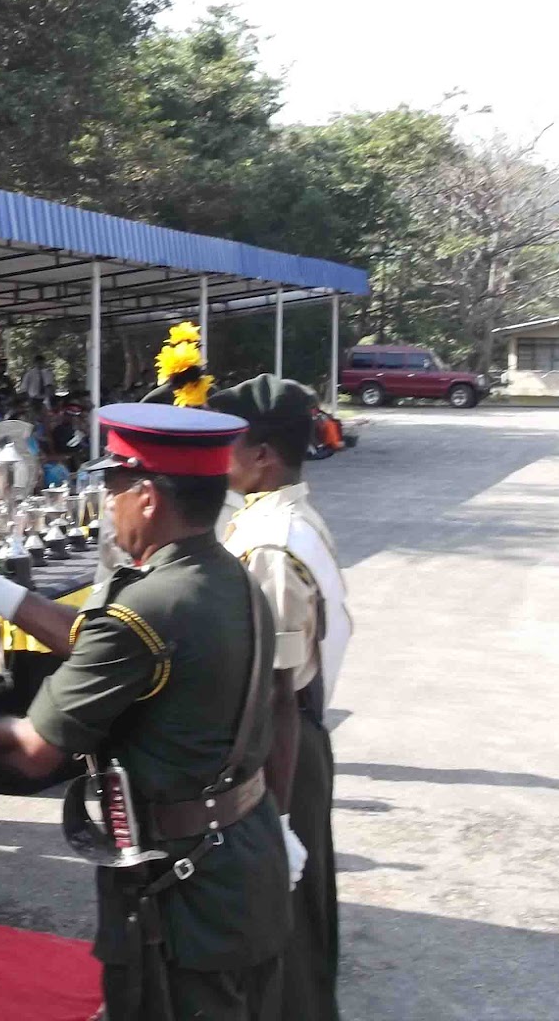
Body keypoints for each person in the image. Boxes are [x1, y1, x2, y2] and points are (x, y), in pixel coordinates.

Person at [0, 402, 291, 1020]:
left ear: (146, 497)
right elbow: (101, 639)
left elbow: (35, 751)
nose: (107, 505)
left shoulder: (150, 605)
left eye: (112, 487)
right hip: (243, 859)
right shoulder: (226, 578)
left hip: (181, 888)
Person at [212, 376, 352, 1021]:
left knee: (279, 915)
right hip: (291, 733)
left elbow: (273, 685)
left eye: (230, 443)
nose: (221, 457)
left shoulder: (270, 542)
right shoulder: (279, 517)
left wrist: (276, 812)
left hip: (280, 744)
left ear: (263, 454)